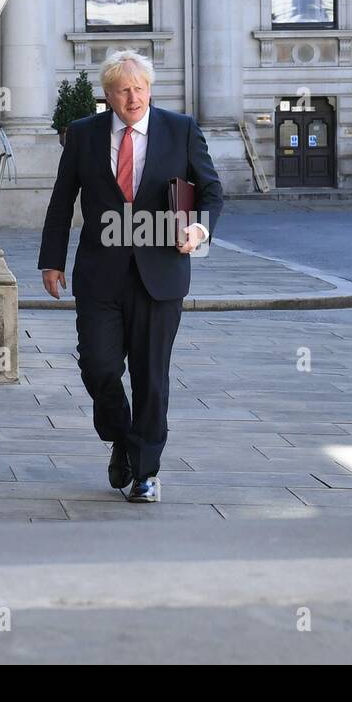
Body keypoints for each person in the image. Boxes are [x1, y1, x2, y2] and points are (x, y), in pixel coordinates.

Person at [37, 49, 223, 502]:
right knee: (98, 365)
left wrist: (198, 229)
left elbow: (212, 190)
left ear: (150, 90)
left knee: (150, 376)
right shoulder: (83, 135)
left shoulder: (180, 130)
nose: (133, 96)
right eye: (123, 89)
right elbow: (63, 199)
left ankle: (144, 471)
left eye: (139, 88)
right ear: (108, 95)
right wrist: (51, 259)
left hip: (160, 273)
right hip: (100, 274)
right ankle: (121, 435)